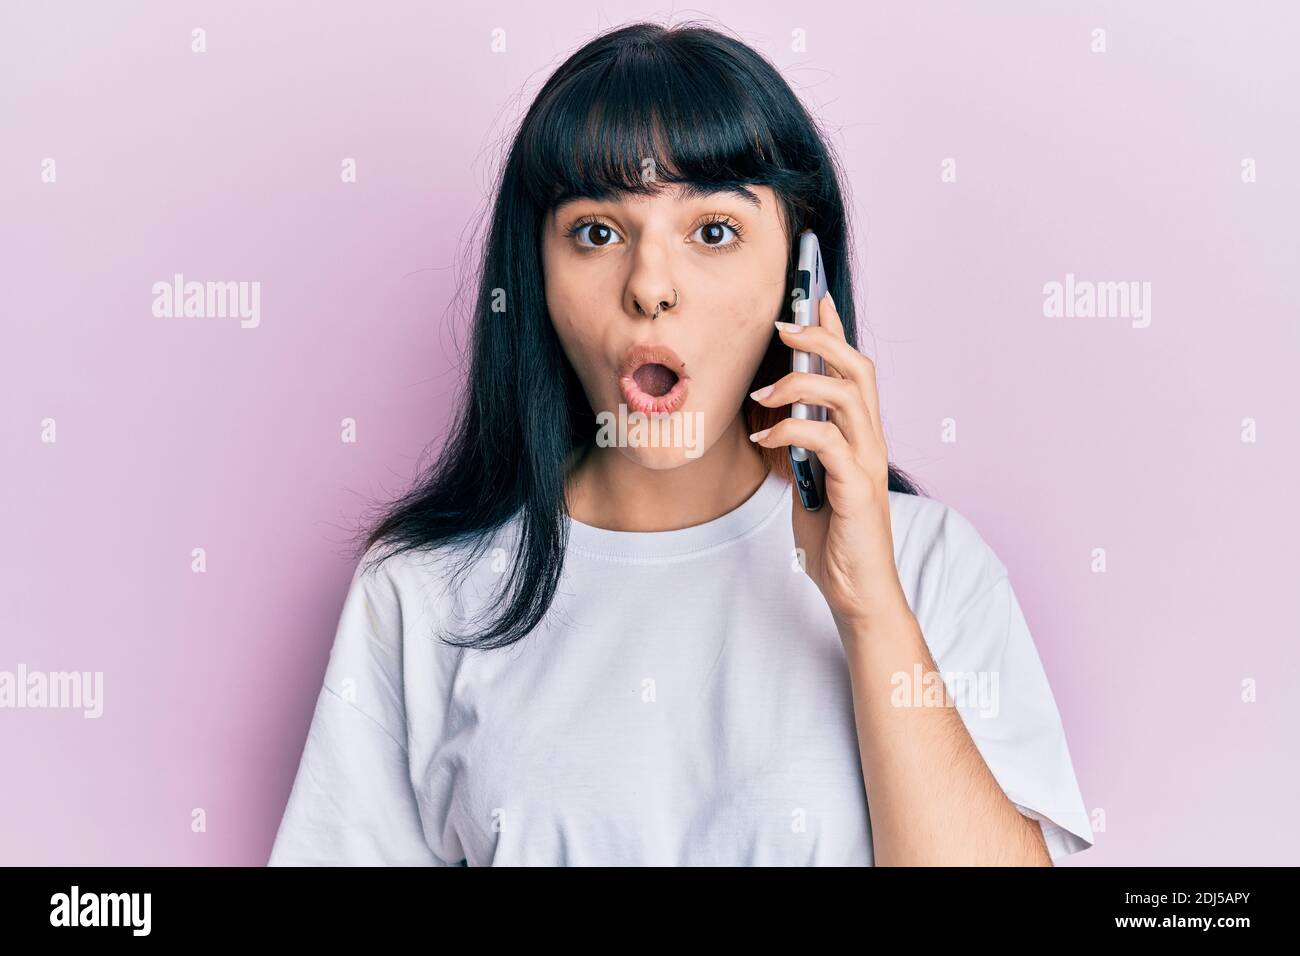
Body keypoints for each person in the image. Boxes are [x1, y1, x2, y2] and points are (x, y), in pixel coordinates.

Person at [268, 21, 1093, 866]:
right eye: (596, 231)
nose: (651, 288)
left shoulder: (929, 569)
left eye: (713, 232)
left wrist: (869, 606)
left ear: (798, 273)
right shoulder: (422, 593)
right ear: (536, 274)